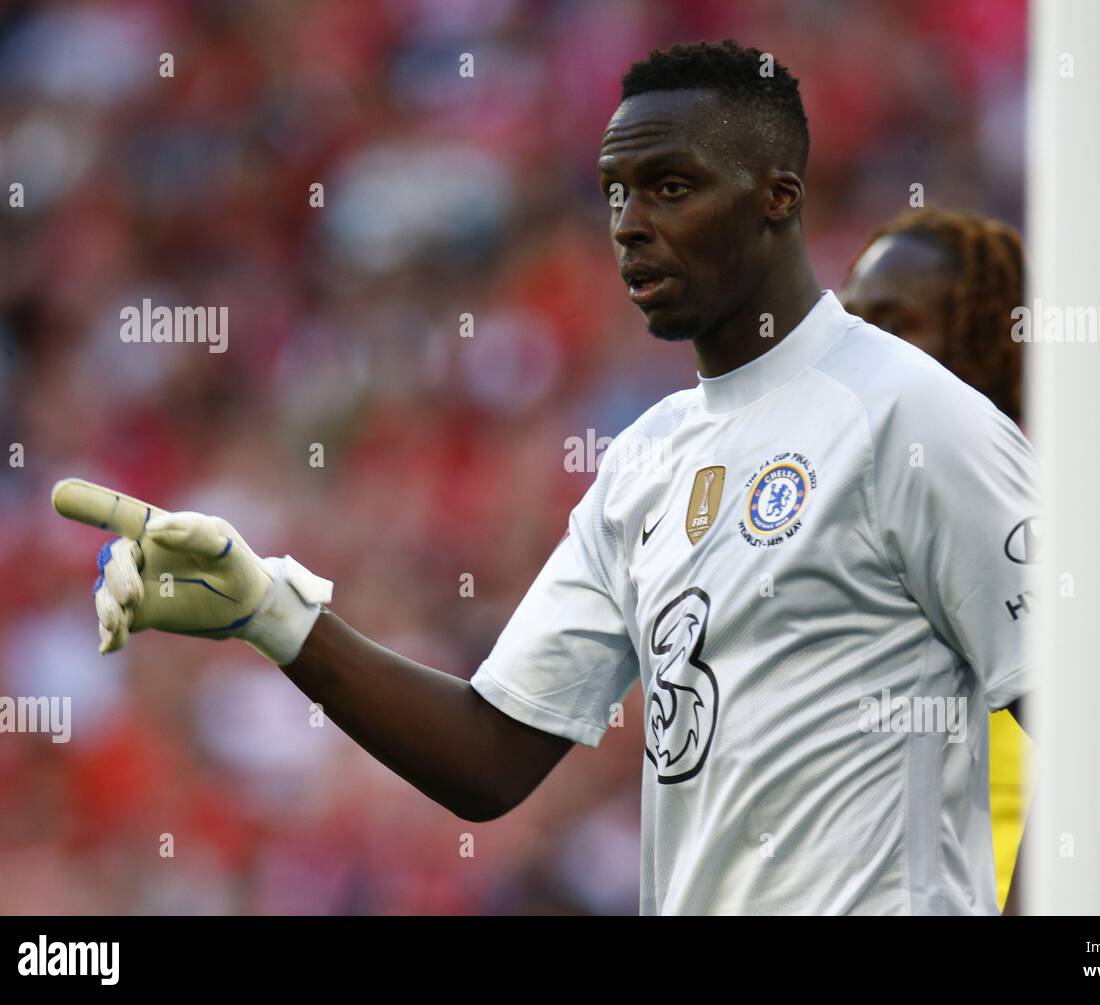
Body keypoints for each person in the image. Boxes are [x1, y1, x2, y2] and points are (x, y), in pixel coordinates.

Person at [54, 40, 1039, 915]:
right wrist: (273, 613)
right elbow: (491, 756)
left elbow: (1089, 720)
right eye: (615, 192)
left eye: (671, 186)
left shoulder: (915, 417)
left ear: (777, 194)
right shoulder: (646, 461)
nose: (630, 225)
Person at [841, 207, 1031, 913]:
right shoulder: (868, 506)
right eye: (848, 321)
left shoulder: (1045, 514)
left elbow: (1094, 746)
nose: (857, 347)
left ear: (982, 341)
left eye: (892, 324)